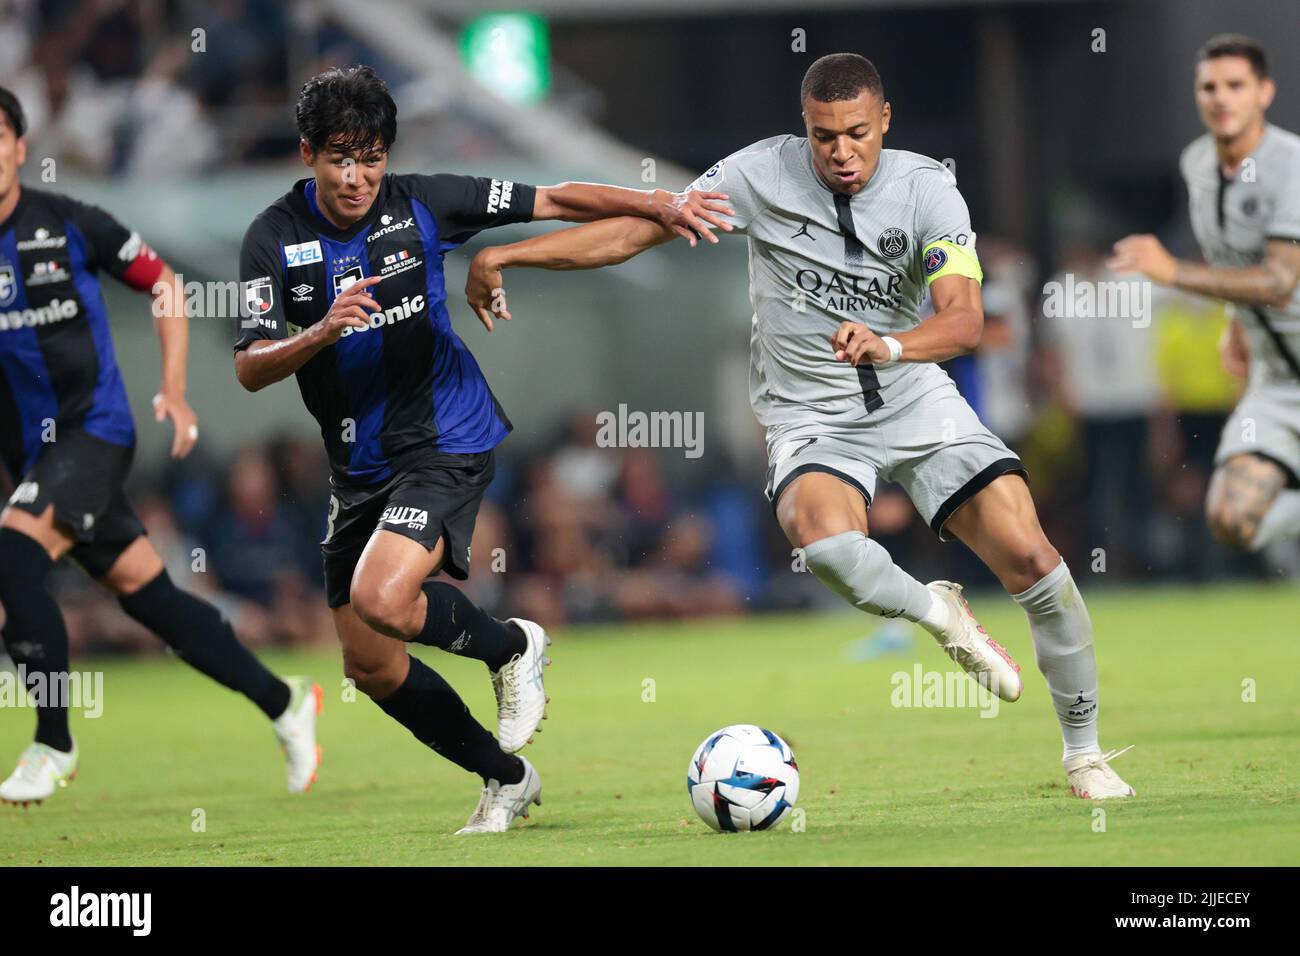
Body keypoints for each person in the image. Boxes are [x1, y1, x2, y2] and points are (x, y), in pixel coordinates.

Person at [467, 53, 1136, 799]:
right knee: (823, 543)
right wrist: (510, 254)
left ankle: (1085, 752)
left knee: (1034, 560)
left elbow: (965, 320)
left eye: (857, 132)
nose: (841, 152)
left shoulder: (927, 190)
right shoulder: (754, 175)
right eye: (824, 137)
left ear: (884, 120)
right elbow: (634, 234)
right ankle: (935, 610)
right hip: (810, 415)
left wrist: (891, 344)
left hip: (914, 391)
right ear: (805, 129)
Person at [234, 65, 730, 833]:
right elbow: (249, 367)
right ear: (307, 154)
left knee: (383, 598)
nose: (358, 175)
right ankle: (508, 779)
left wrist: (661, 202)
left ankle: (507, 647)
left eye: (371, 156)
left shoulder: (425, 202)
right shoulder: (273, 238)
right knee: (369, 664)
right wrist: (321, 331)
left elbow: (556, 198)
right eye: (340, 156)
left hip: (445, 436)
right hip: (357, 469)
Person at [0, 86, 320, 806]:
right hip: (33, 457)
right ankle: (283, 701)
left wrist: (173, 391)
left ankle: (53, 742)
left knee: (15, 559)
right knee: (152, 599)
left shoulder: (68, 222)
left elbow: (164, 285)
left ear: (20, 147)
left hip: (95, 433)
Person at [1110, 34, 1300, 558]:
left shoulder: (1291, 164)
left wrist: (1171, 272)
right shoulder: (1197, 162)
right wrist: (1238, 325)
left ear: (1264, 92)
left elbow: (1281, 282)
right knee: (1230, 520)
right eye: (1209, 87)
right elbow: (1233, 261)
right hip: (1278, 382)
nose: (1220, 98)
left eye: (1235, 85)